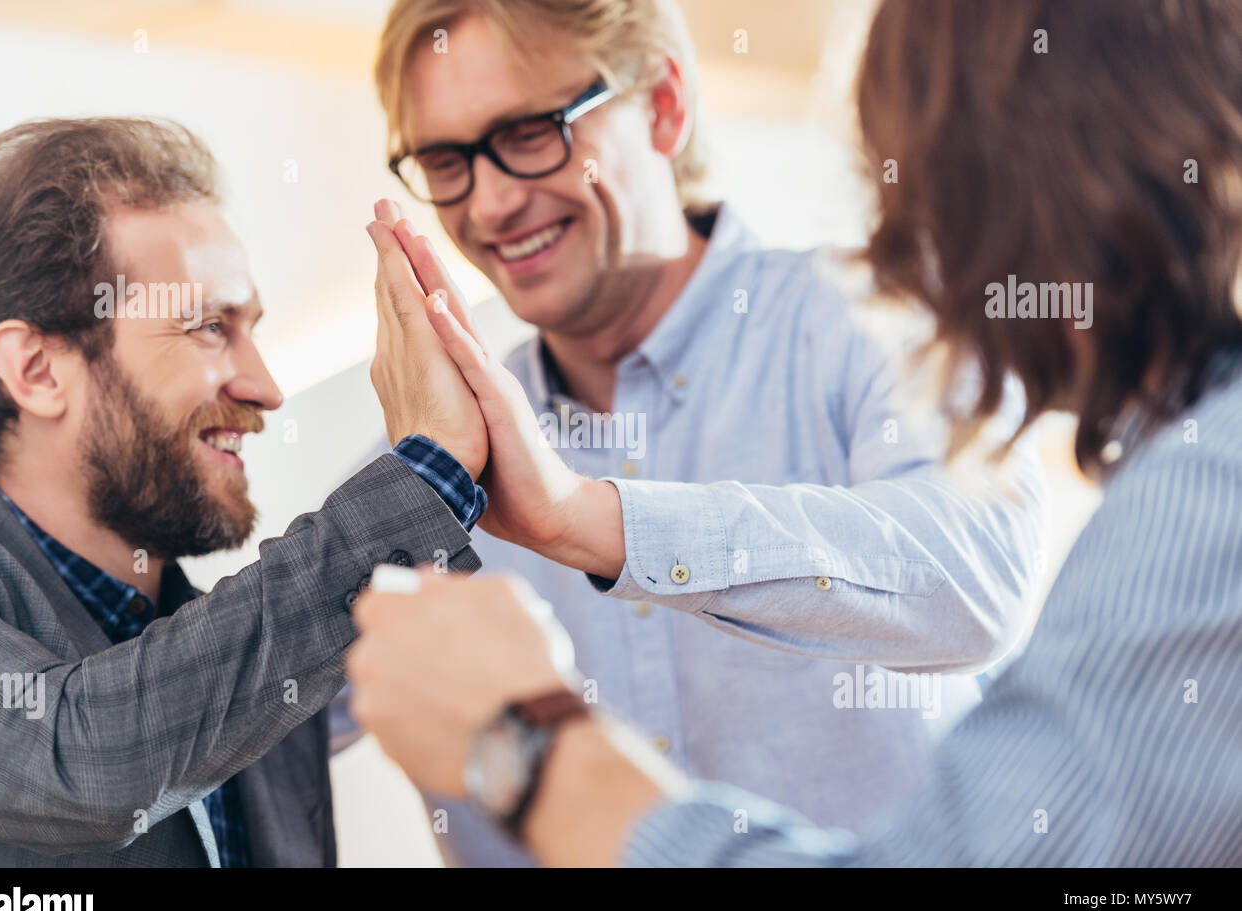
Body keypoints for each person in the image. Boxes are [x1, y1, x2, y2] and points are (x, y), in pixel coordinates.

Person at [346, 0, 1242, 866]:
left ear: (664, 103)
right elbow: (238, 732)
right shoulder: (427, 462)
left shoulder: (885, 315)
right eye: (445, 160)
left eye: (531, 133)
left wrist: (588, 530)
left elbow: (976, 579)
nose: (491, 202)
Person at [0, 118, 490, 866]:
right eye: (207, 327)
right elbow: (80, 757)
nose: (265, 388)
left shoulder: (246, 658)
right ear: (37, 370)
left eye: (252, 329)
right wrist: (425, 475)